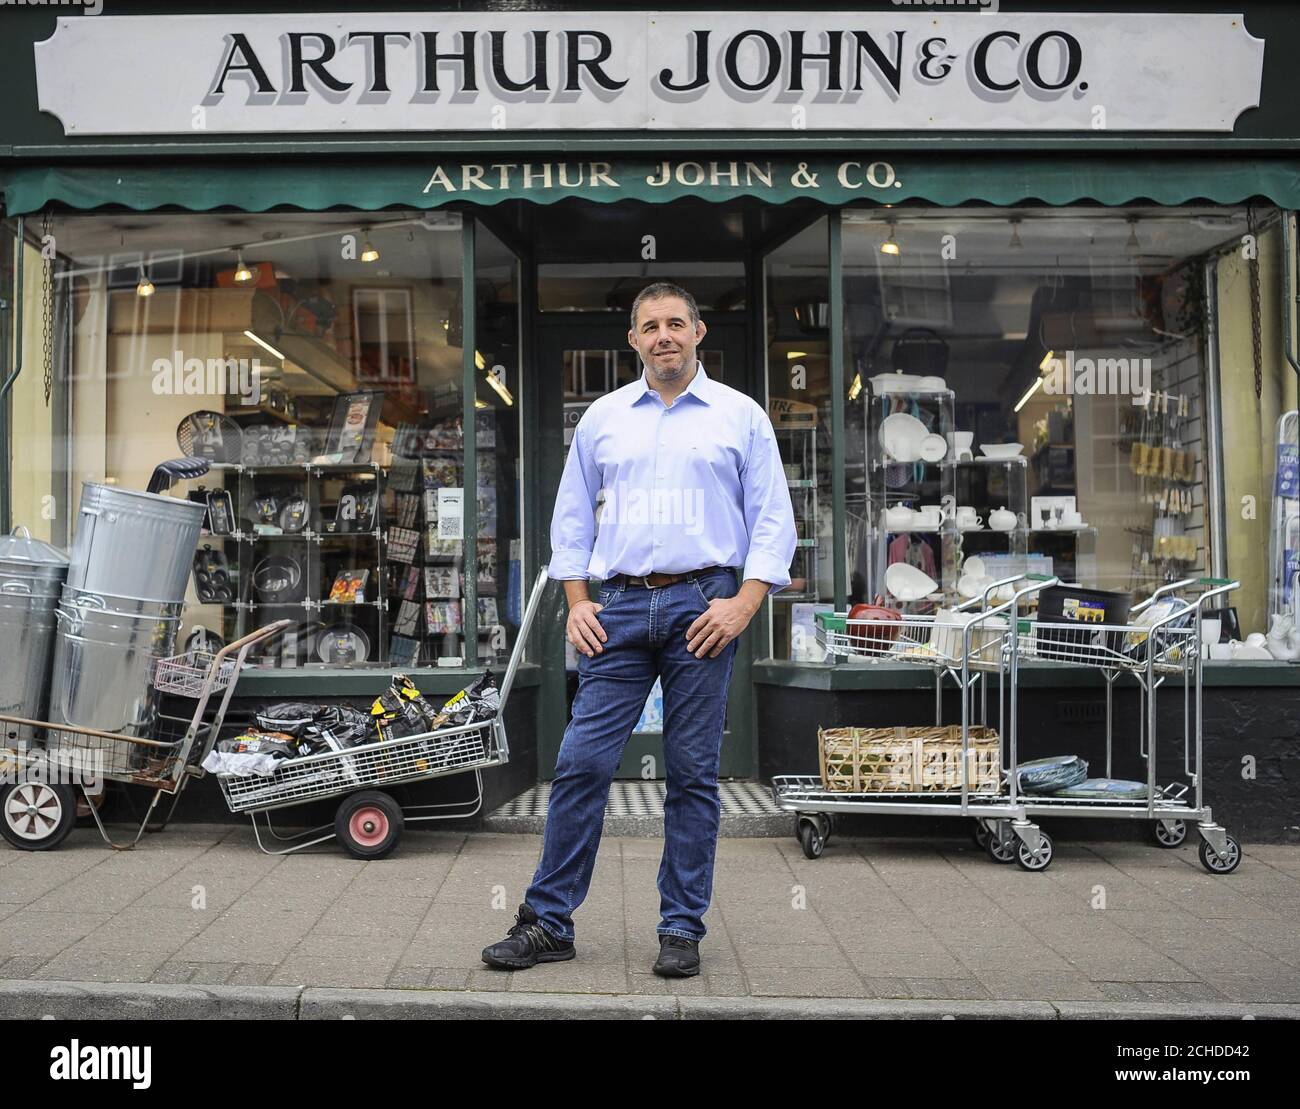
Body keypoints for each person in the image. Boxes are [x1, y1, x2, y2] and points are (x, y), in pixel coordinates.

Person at [481, 281, 797, 978]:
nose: (664, 336)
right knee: (581, 764)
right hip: (618, 608)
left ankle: (681, 925)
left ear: (698, 331)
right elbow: (570, 516)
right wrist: (578, 600)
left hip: (705, 606)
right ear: (633, 339)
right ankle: (548, 923)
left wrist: (743, 603)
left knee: (690, 774)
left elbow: (774, 519)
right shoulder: (603, 417)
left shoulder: (739, 416)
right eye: (650, 325)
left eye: (676, 323)